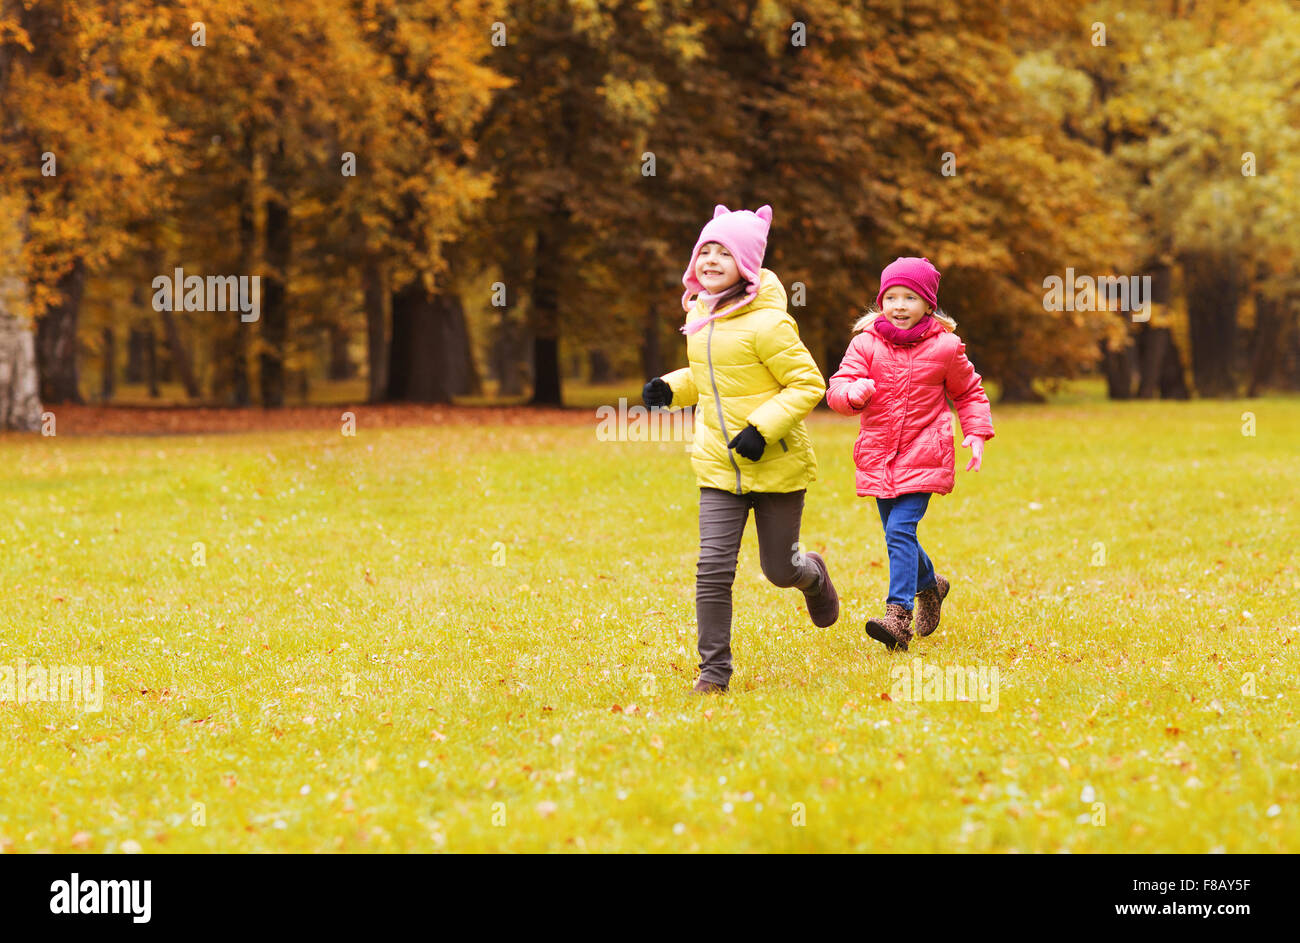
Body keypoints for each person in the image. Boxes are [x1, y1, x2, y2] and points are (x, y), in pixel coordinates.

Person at [642, 204, 838, 695]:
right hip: (718, 466)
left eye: (722, 252)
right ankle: (714, 673)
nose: (709, 259)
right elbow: (712, 382)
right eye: (704, 250)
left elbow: (806, 384)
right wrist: (671, 388)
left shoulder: (769, 324)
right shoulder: (700, 316)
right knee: (712, 570)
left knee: (779, 569)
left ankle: (812, 575)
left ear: (746, 265)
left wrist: (761, 429)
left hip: (775, 465)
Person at [825, 257, 994, 651]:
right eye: (892, 297)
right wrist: (851, 395)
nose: (899, 305)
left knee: (900, 530)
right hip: (879, 455)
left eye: (910, 298)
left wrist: (977, 432)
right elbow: (838, 386)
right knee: (895, 532)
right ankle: (930, 585)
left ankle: (897, 616)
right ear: (881, 301)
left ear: (928, 305)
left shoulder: (946, 347)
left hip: (925, 452)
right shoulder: (864, 343)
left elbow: (968, 392)